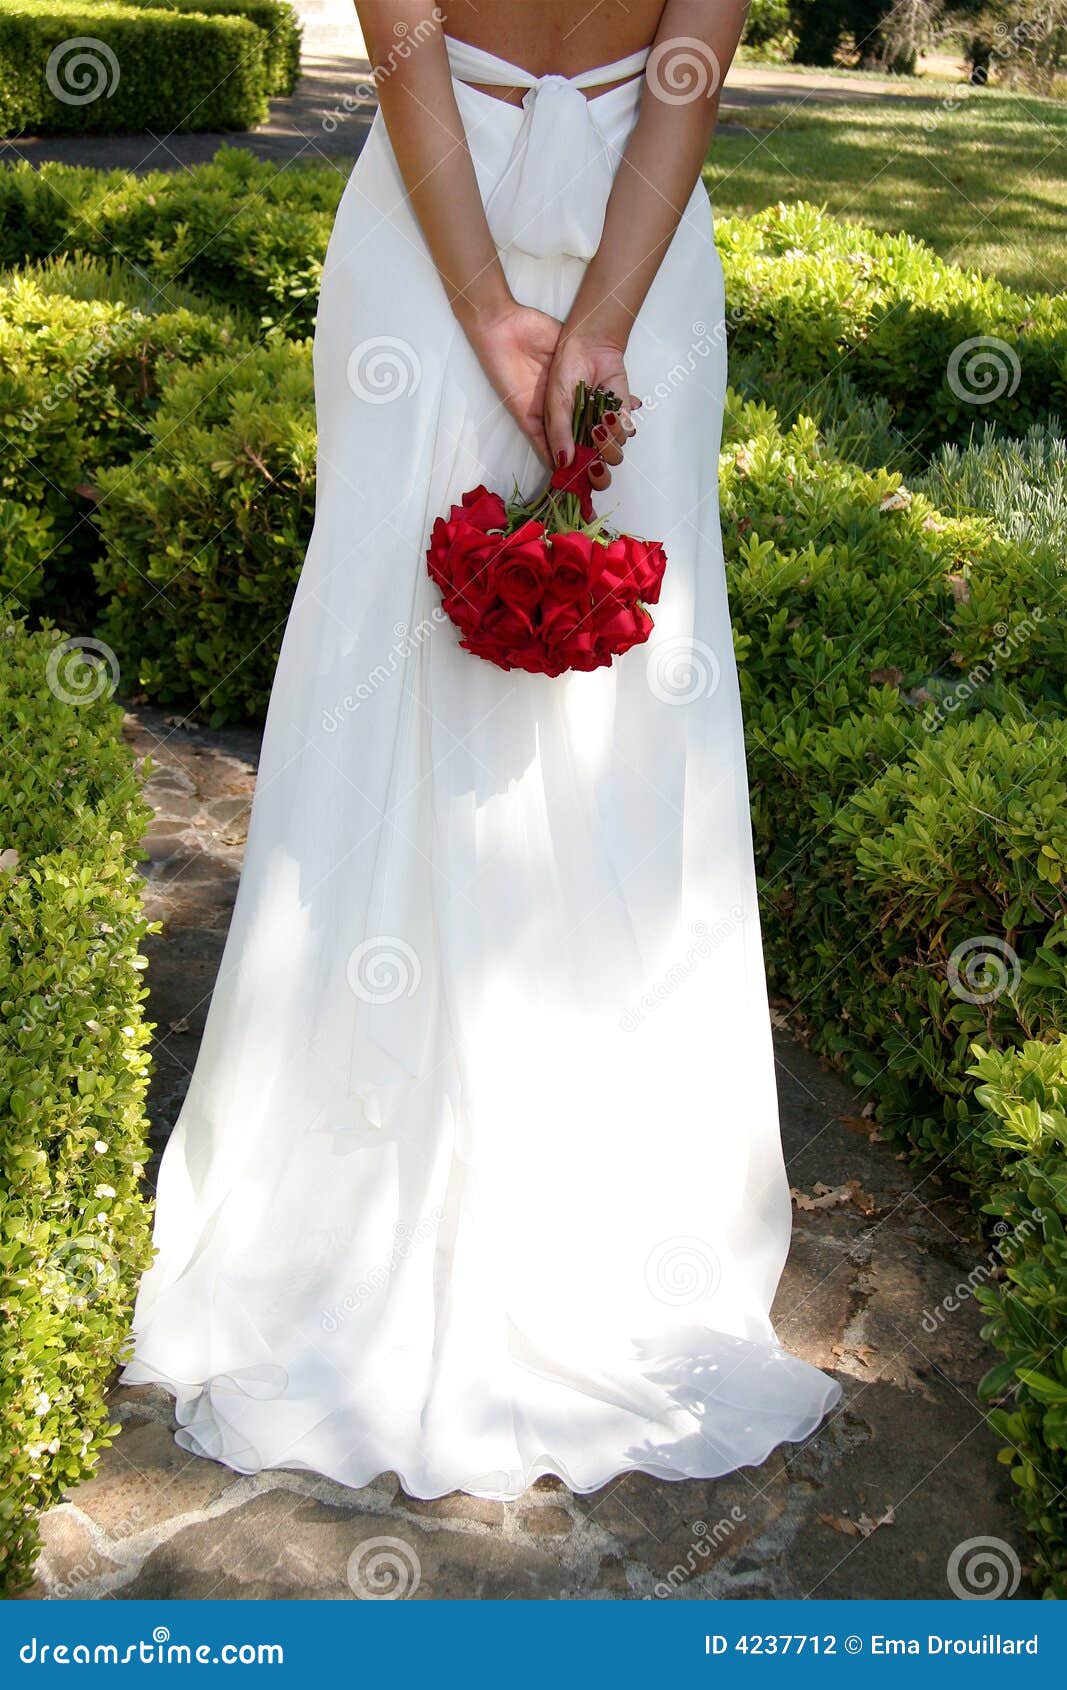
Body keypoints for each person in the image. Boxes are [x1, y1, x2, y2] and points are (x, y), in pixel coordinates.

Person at [121, 0, 841, 1500]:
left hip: (424, 250)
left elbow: (406, 43)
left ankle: (358, 1169)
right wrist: (599, 326)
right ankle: (610, 1200)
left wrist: (487, 312)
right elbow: (687, 71)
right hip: (641, 260)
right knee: (614, 700)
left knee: (396, 667)